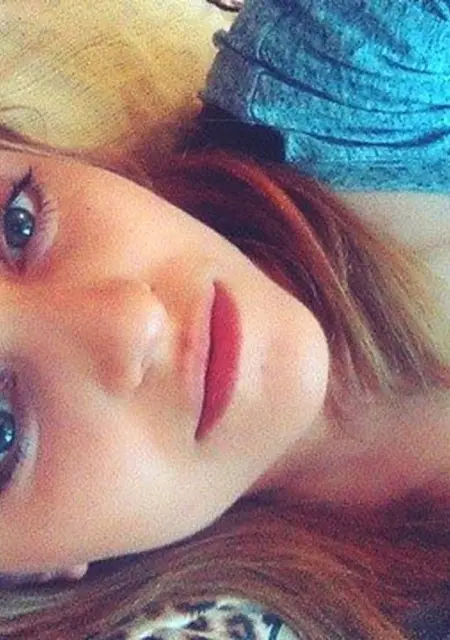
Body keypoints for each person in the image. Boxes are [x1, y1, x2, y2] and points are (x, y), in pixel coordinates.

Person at [0, 0, 448, 638]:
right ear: (26, 576)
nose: (133, 320)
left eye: (16, 224)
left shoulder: (333, 66)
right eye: (3, 429)